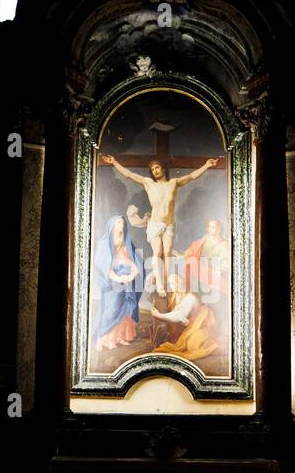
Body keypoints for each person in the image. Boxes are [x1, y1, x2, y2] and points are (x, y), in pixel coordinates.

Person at [101, 154, 219, 297]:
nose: (155, 171)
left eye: (157, 167)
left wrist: (207, 165)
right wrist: (114, 162)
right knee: (157, 252)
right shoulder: (148, 183)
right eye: (152, 169)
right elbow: (129, 175)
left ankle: (166, 281)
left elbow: (191, 176)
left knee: (167, 253)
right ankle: (160, 285)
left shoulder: (173, 183)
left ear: (163, 169)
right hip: (155, 224)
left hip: (169, 225)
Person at [92, 215, 143, 351]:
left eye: (122, 222)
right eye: (119, 222)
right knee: (111, 309)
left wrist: (130, 276)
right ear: (112, 225)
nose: (122, 225)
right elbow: (104, 266)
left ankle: (119, 337)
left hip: (126, 284)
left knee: (126, 310)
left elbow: (136, 264)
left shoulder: (126, 243)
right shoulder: (105, 243)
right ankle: (102, 339)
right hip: (112, 283)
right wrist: (118, 278)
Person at [151, 274, 220, 363]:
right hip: (191, 326)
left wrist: (158, 315)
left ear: (179, 284)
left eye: (172, 284)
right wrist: (183, 320)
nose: (170, 287)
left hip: (202, 325)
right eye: (170, 284)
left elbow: (178, 316)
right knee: (185, 345)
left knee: (192, 346)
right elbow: (179, 315)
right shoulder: (176, 296)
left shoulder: (190, 298)